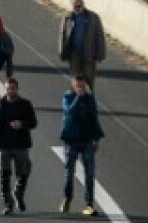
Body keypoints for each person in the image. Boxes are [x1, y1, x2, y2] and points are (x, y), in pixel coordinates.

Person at [0, 77, 37, 215]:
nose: (10, 91)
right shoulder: (0, 105)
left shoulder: (25, 104)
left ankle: (18, 194)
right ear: (5, 89)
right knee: (4, 175)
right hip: (4, 145)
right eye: (8, 88)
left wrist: (22, 124)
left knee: (24, 172)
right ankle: (8, 203)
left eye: (13, 88)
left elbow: (33, 122)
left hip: (21, 144)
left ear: (17, 89)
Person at [59, 74, 103, 217]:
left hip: (87, 140)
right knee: (69, 172)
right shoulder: (68, 97)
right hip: (71, 140)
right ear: (73, 84)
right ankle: (67, 198)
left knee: (90, 173)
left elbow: (94, 117)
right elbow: (70, 111)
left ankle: (89, 204)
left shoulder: (90, 99)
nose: (80, 88)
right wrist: (78, 97)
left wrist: (97, 138)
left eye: (82, 85)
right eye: (77, 85)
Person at [59, 0, 106, 87]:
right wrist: (62, 51)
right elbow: (63, 35)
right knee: (75, 81)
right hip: (74, 54)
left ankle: (88, 99)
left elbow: (99, 36)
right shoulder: (67, 17)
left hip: (89, 54)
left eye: (79, 6)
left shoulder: (93, 17)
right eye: (74, 7)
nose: (77, 9)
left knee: (89, 80)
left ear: (83, 5)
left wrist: (100, 54)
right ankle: (75, 99)